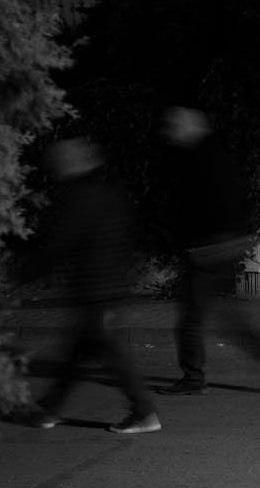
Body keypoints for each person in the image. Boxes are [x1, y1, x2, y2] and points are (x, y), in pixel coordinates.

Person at [23, 138, 161, 434]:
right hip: (109, 285)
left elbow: (58, 243)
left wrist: (29, 270)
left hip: (96, 289)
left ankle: (143, 411)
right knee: (79, 350)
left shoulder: (78, 198)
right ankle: (51, 408)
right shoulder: (110, 195)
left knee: (109, 351)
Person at [156, 105, 260, 396]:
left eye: (176, 126)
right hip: (223, 248)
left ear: (192, 125)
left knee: (191, 318)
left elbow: (198, 207)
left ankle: (193, 378)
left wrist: (195, 242)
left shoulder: (200, 159)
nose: (171, 132)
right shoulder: (218, 155)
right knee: (230, 317)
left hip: (207, 250)